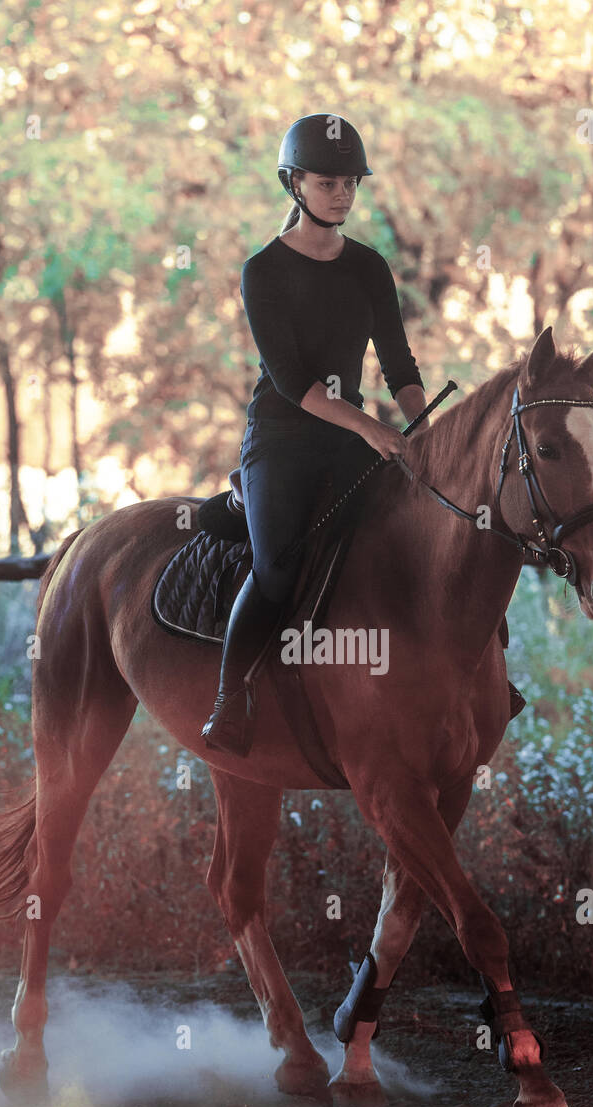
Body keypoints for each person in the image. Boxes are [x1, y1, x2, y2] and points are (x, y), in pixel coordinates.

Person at [201, 112, 430, 755]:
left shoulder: (370, 267)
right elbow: (292, 380)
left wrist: (421, 427)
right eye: (328, 182)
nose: (343, 193)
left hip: (352, 438)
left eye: (351, 182)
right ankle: (231, 698)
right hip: (281, 437)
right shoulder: (263, 271)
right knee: (277, 569)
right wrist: (374, 430)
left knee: (424, 540)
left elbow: (399, 363)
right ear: (293, 183)